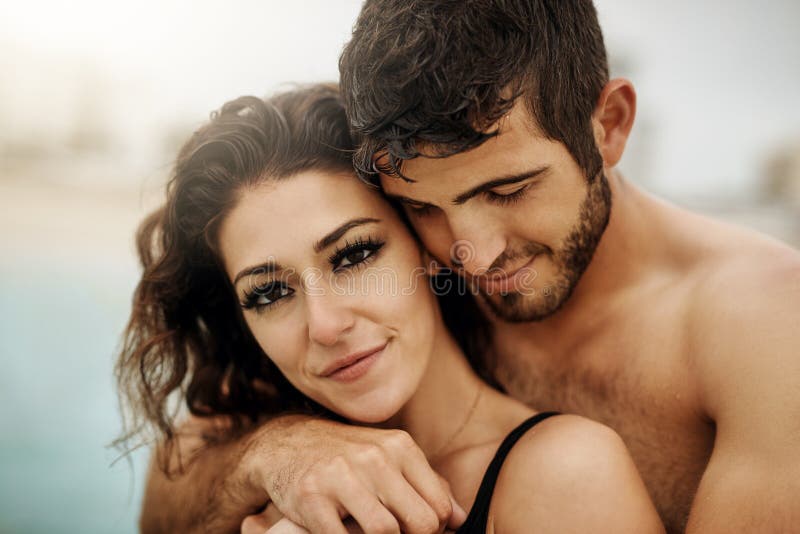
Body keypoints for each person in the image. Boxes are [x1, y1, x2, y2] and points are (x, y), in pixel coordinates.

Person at [134, 1, 800, 533]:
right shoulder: (398, 291)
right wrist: (280, 453)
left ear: (611, 123)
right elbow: (172, 486)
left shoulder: (765, 327)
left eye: (508, 190)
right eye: (421, 209)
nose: (470, 255)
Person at [117, 84, 664, 534]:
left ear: (425, 245)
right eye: (269, 294)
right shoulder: (251, 444)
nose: (325, 325)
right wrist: (275, 459)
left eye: (354, 255)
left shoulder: (565, 472)